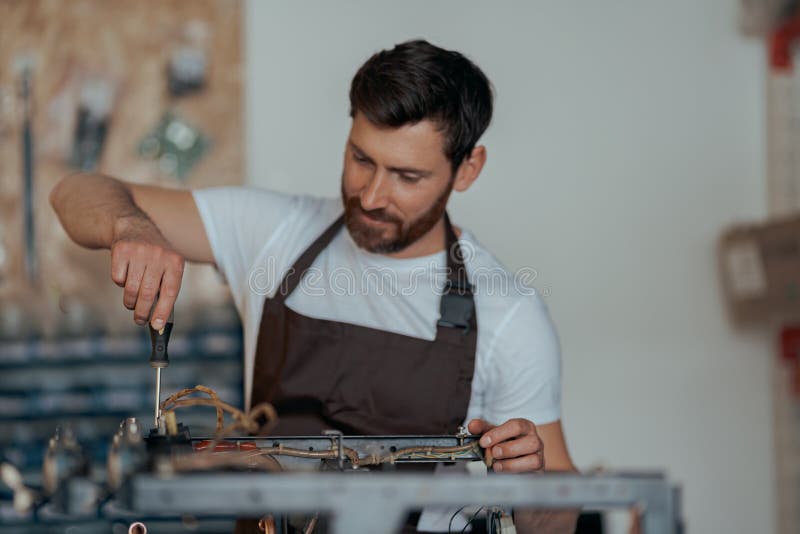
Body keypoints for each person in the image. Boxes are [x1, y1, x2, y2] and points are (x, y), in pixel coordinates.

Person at [51, 39, 577, 533]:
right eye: (361, 159)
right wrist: (132, 226)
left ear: (467, 169)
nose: (371, 195)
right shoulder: (275, 233)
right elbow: (77, 191)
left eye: (406, 177)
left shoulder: (507, 313)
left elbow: (560, 522)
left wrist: (527, 484)